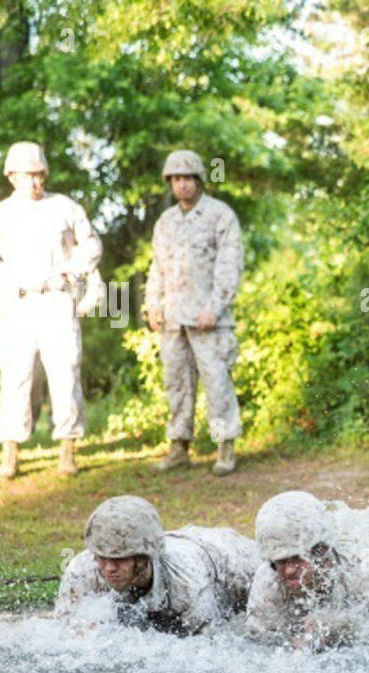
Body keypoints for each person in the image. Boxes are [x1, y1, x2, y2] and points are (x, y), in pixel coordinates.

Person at [0, 141, 101, 479]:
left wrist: (71, 269)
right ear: (12, 176)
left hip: (57, 300)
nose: (35, 181)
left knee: (64, 372)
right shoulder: (0, 215)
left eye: (39, 174)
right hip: (18, 303)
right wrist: (3, 281)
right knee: (14, 376)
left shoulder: (64, 207)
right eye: (27, 175)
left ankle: (68, 448)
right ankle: (10, 451)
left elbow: (91, 244)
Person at [145, 150, 245, 477]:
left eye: (187, 178)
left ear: (199, 180)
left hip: (208, 319)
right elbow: (157, 267)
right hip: (174, 318)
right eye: (175, 179)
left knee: (217, 384)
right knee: (176, 384)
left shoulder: (220, 215)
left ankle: (224, 446)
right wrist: (153, 304)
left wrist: (215, 307)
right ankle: (178, 447)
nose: (182, 184)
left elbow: (230, 265)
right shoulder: (166, 222)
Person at [56, 495, 259, 636]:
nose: (109, 568)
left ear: (144, 559)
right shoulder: (81, 571)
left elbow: (211, 649)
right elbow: (63, 632)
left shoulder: (189, 585)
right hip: (185, 548)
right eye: (102, 558)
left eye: (119, 560)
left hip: (233, 561)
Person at [245, 491, 364, 649]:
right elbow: (260, 645)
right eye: (281, 562)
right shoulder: (267, 583)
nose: (288, 571)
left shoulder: (358, 567)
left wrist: (333, 623)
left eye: (297, 558)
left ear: (321, 552)